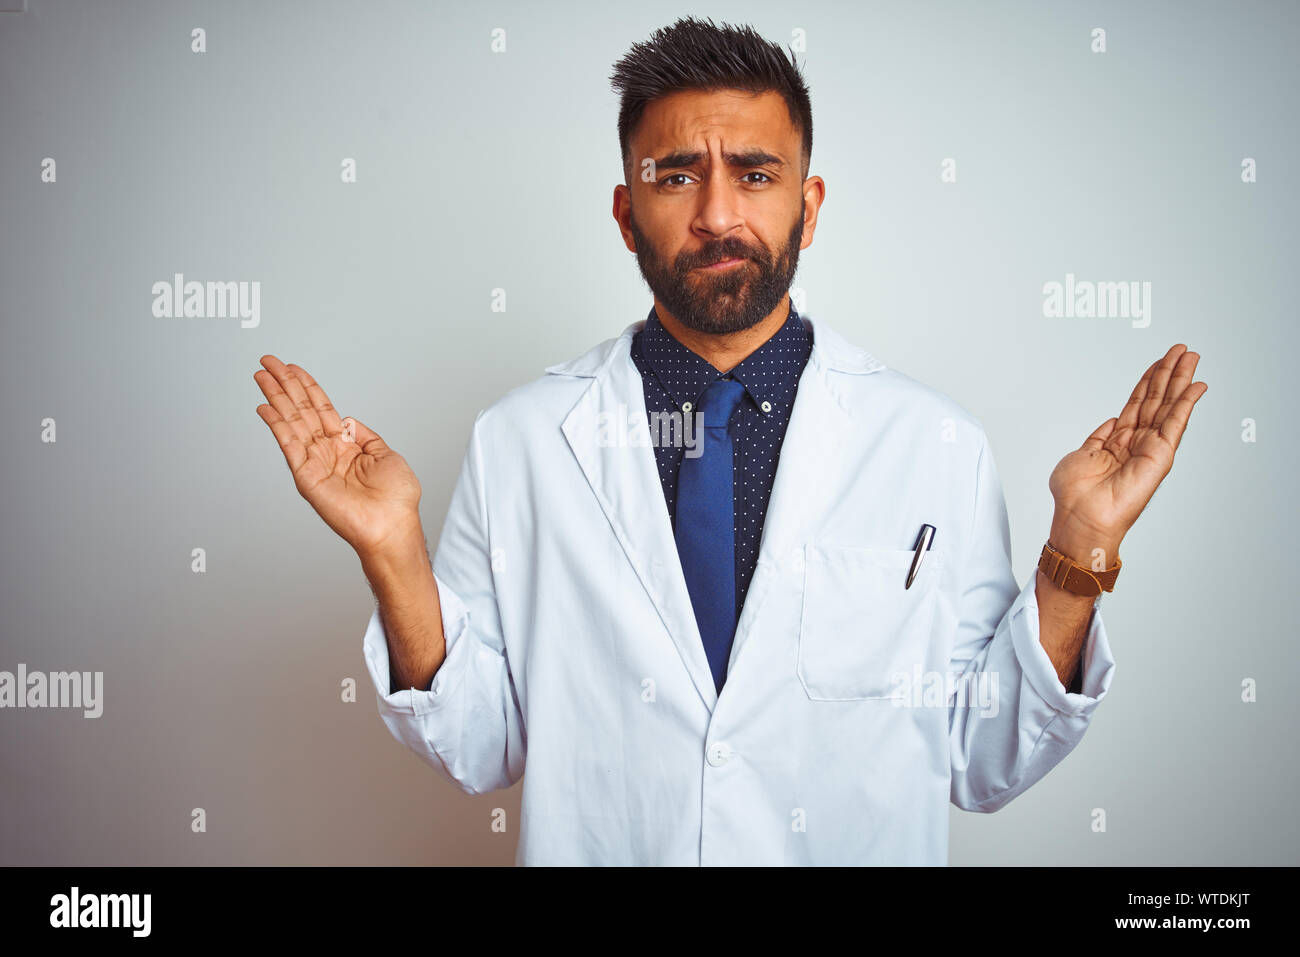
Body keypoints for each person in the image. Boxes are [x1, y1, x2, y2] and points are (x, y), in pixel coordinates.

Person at [253, 16, 1206, 865]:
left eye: (755, 174)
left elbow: (979, 754)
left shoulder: (932, 445)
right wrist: (394, 553)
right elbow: (480, 744)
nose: (717, 214)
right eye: (676, 176)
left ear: (810, 204)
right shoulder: (524, 441)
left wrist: (1079, 551)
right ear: (627, 214)